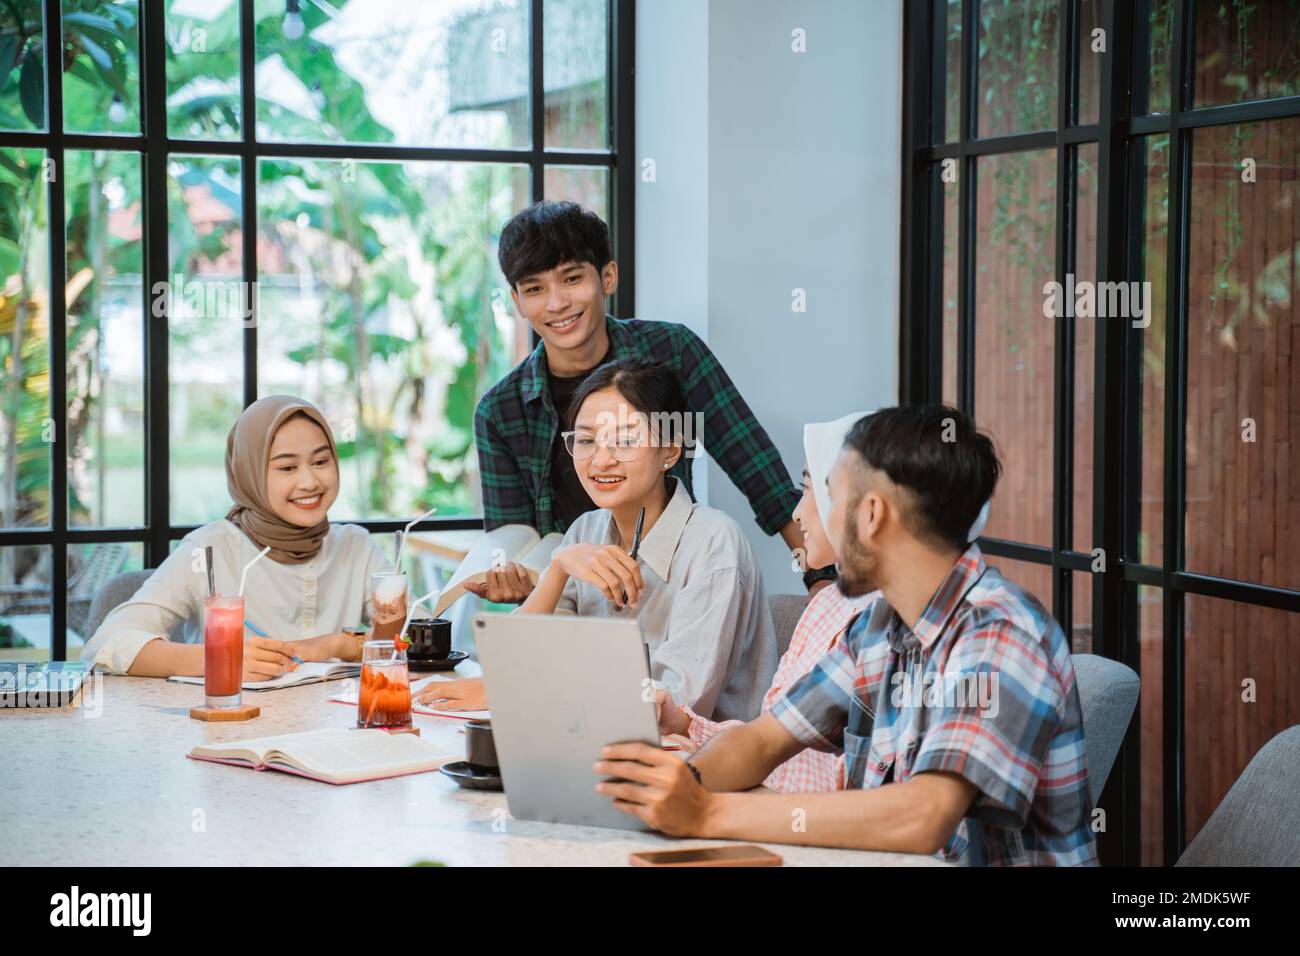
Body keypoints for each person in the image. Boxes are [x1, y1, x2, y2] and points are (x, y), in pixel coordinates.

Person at [587, 405, 1097, 866]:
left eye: (829, 494)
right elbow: (763, 741)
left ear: (871, 515)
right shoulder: (878, 627)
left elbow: (923, 816)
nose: (811, 515)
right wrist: (681, 787)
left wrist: (704, 813)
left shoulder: (999, 632)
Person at [467, 200, 829, 605]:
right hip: (574, 606)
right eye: (534, 289)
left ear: (608, 276)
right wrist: (517, 579)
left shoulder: (673, 352)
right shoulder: (500, 412)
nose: (556, 304)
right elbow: (515, 542)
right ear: (517, 301)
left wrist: (820, 577)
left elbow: (759, 472)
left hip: (676, 590)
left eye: (571, 279)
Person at [419, 359, 777, 722]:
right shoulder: (586, 531)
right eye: (587, 440)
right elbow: (517, 659)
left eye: (624, 440)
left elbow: (672, 705)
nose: (601, 460)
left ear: (670, 451)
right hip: (590, 739)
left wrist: (518, 687)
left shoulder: (714, 542)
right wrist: (557, 568)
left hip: (696, 763)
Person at [81, 396, 392, 679]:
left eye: (321, 462)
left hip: (337, 730)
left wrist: (339, 644)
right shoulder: (210, 549)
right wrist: (220, 659)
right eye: (287, 467)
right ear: (249, 472)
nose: (309, 481)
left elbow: (418, 638)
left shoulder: (356, 547)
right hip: (231, 728)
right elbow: (106, 644)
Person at [652, 411, 878, 791]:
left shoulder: (880, 622)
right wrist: (687, 727)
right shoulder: (828, 605)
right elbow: (771, 741)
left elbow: (827, 784)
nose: (796, 513)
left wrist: (699, 784)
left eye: (810, 491)